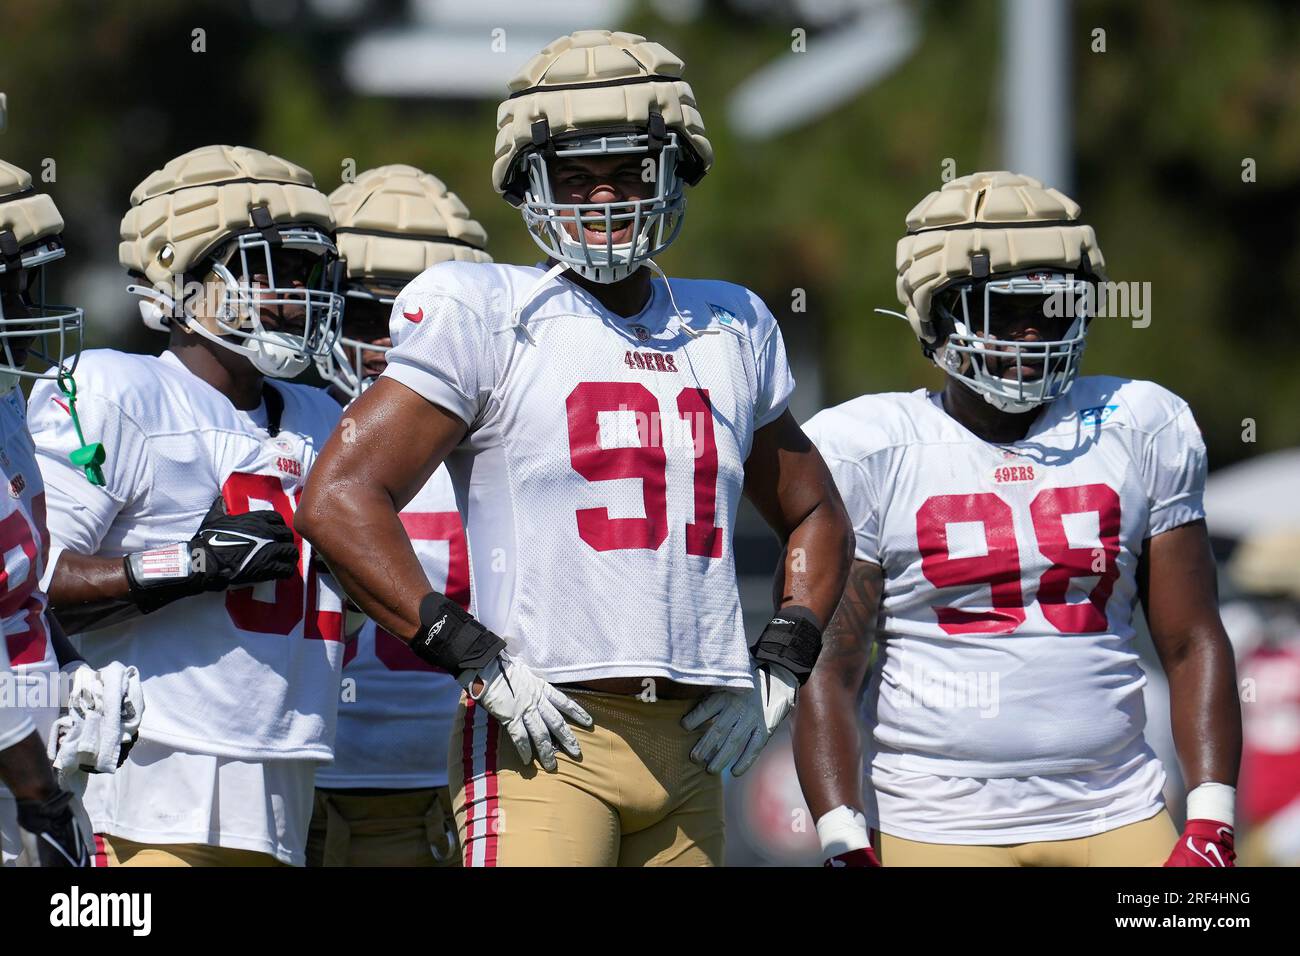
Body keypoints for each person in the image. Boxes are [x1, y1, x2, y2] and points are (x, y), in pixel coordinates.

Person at [297, 29, 853, 867]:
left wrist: (784, 653)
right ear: (532, 182)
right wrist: (471, 655)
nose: (604, 197)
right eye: (576, 175)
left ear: (675, 170)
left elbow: (815, 511)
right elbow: (336, 498)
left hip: (695, 743)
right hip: (546, 736)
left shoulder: (731, 323)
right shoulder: (489, 310)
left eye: (628, 170)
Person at [796, 170, 1241, 867]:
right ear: (936, 315)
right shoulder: (871, 448)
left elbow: (1190, 640)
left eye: (1053, 306)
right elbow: (831, 669)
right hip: (936, 818)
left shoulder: (1138, 424)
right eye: (1002, 309)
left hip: (1115, 806)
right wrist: (842, 837)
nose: (1031, 330)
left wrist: (1212, 818)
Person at [28, 144, 347, 866]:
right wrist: (189, 563)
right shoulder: (115, 389)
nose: (296, 293)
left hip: (283, 780)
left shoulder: (321, 416)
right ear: (184, 277)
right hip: (142, 782)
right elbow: (33, 584)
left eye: (305, 271)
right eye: (271, 270)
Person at [308, 163, 489, 867]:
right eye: (366, 313)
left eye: (418, 319)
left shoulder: (500, 437)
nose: (390, 340)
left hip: (458, 789)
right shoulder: (284, 429)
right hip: (302, 783)